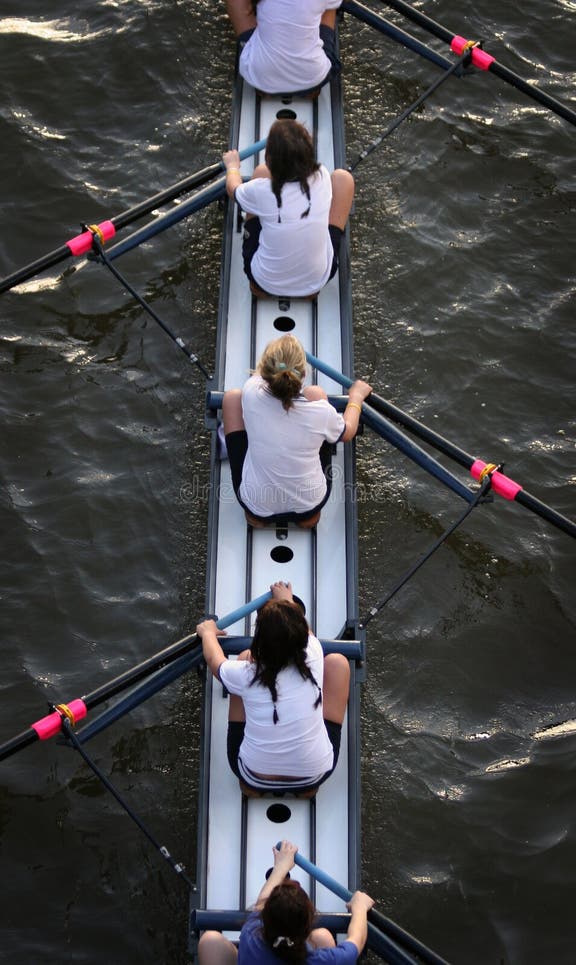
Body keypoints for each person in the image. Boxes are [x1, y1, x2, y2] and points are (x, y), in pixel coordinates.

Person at [197, 581, 351, 796]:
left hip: (253, 775)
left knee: (244, 658)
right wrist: (285, 598)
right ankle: (308, 791)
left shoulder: (246, 673)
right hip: (314, 775)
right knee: (339, 663)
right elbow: (303, 629)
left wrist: (208, 633)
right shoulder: (313, 651)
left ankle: (250, 789)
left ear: (259, 641)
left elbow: (215, 659)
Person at [222, 333, 372, 529]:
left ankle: (255, 520)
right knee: (316, 393)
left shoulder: (250, 391)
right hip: (309, 505)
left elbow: (259, 373)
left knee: (232, 398)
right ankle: (308, 521)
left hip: (257, 505)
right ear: (304, 374)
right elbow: (348, 431)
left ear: (266, 371)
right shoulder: (321, 413)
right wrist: (356, 397)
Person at [223, 118, 354, 298]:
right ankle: (310, 292)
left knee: (260, 173)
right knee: (343, 178)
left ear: (270, 160)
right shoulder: (322, 175)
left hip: (264, 281)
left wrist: (232, 166)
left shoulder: (262, 190)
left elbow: (232, 188)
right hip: (316, 282)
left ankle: (258, 288)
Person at [198, 840, 375, 964]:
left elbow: (260, 903)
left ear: (265, 920)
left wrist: (281, 867)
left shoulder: (250, 934)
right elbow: (356, 940)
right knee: (324, 937)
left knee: (209, 941)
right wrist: (359, 907)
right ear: (307, 926)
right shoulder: (327, 960)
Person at [226, 0, 343, 97]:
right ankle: (312, 92)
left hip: (260, 77)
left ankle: (263, 88)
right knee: (330, 8)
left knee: (237, 3)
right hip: (313, 78)